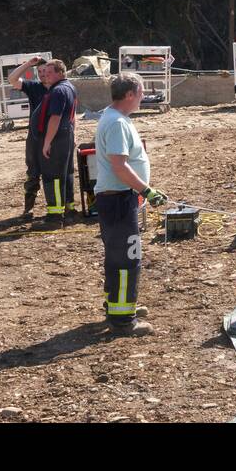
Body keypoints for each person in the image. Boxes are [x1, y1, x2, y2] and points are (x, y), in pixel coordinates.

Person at [93, 73, 166, 335]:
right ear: (130, 95)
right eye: (142, 92)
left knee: (118, 256)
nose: (144, 97)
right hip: (118, 201)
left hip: (118, 199)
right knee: (127, 258)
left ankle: (120, 304)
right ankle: (123, 321)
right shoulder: (117, 124)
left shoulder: (116, 118)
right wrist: (147, 191)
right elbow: (120, 166)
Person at [7, 54, 51, 216]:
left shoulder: (61, 88)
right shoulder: (34, 87)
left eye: (45, 71)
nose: (42, 74)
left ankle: (59, 208)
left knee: (55, 174)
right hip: (35, 138)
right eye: (39, 71)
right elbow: (12, 79)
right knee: (33, 173)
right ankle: (28, 207)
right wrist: (28, 64)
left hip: (56, 139)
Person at [36, 59, 79, 224]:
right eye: (44, 73)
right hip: (66, 135)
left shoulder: (58, 91)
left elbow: (55, 118)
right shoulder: (69, 87)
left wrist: (47, 143)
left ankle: (55, 215)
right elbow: (73, 115)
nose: (46, 76)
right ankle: (69, 209)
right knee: (66, 173)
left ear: (60, 72)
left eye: (49, 73)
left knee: (52, 175)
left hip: (57, 138)